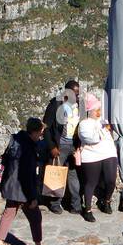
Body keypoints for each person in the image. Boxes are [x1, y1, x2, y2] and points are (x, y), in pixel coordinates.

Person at [0, 117, 52, 245]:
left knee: (8, 213)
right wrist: (32, 197)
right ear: (34, 132)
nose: (41, 136)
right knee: (35, 217)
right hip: (23, 190)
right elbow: (27, 176)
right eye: (40, 132)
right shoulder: (29, 149)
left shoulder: (15, 140)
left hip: (10, 185)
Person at [74, 92, 118, 222]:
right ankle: (87, 209)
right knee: (90, 183)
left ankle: (106, 200)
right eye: (96, 109)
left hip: (108, 152)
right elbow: (91, 138)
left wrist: (108, 128)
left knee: (111, 179)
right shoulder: (84, 124)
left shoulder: (104, 121)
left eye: (99, 109)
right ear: (90, 111)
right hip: (91, 155)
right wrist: (101, 130)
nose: (99, 112)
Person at [42, 79, 82, 214]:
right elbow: (46, 127)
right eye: (75, 93)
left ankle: (76, 205)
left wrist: (80, 145)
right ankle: (55, 203)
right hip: (59, 144)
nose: (77, 96)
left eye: (78, 94)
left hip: (74, 144)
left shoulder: (79, 106)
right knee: (57, 175)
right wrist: (52, 146)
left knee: (74, 175)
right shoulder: (56, 104)